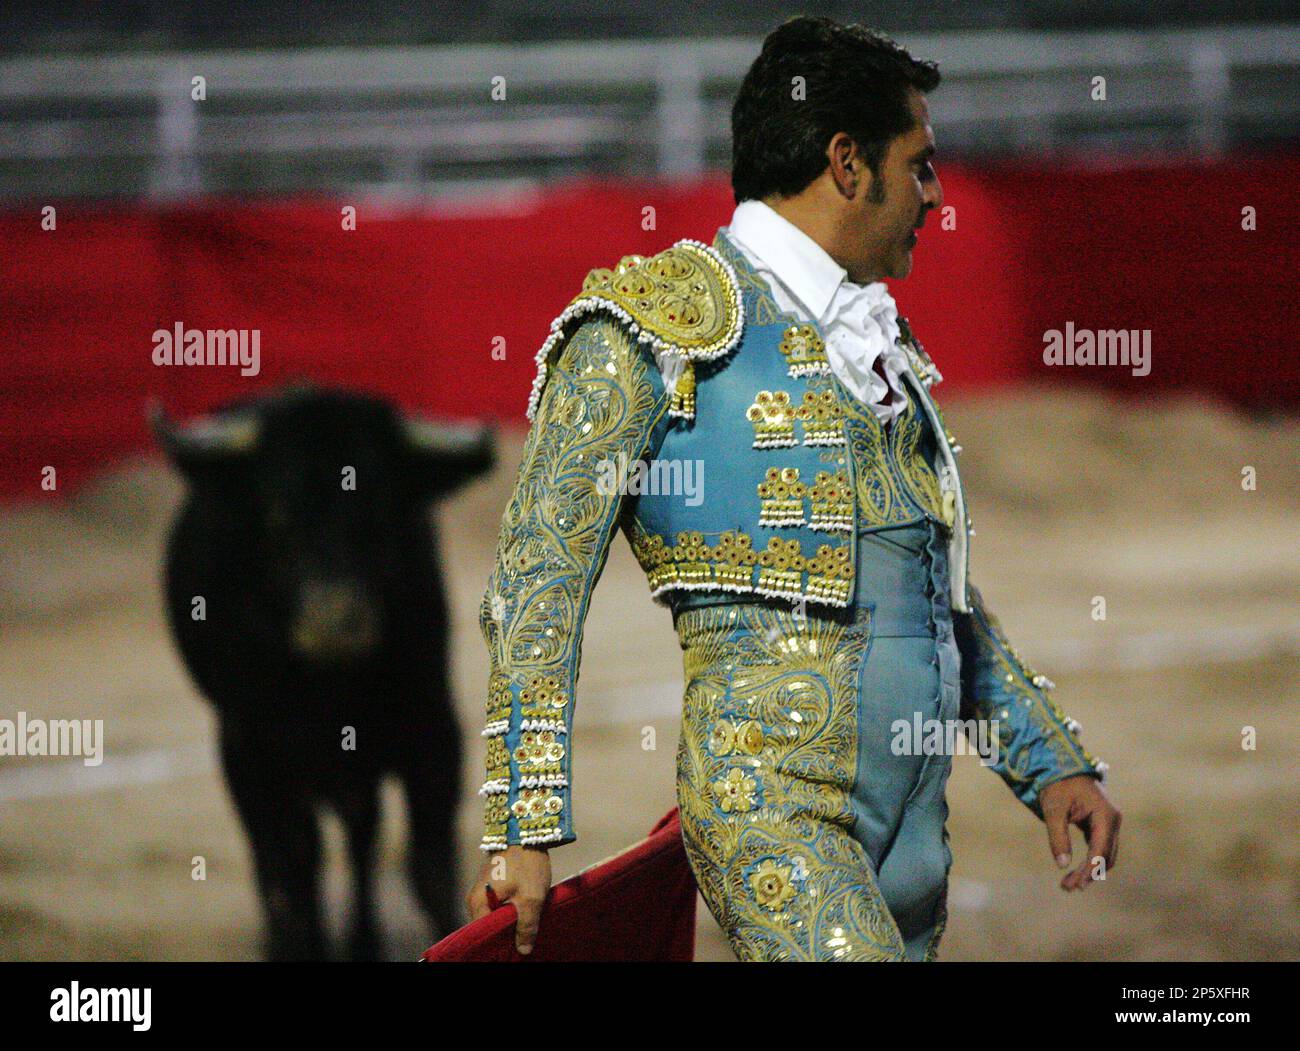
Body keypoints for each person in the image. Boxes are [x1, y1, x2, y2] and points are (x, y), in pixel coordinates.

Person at [465, 16, 1120, 961]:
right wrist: (520, 828)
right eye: (920, 164)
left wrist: (1047, 758)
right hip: (769, 811)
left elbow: (936, 592)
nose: (935, 194)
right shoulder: (655, 330)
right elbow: (541, 575)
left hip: (916, 833)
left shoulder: (882, 346)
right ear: (847, 163)